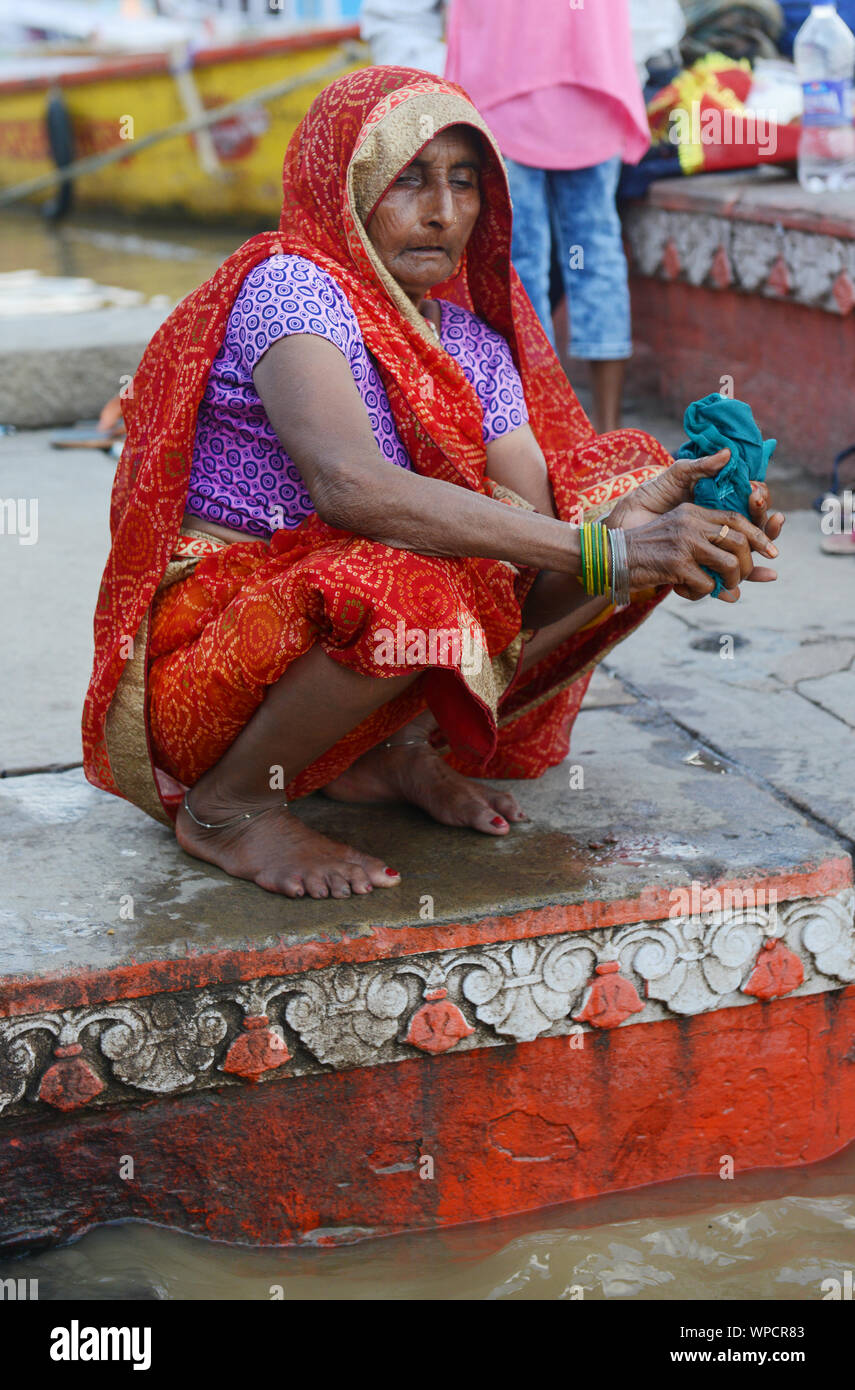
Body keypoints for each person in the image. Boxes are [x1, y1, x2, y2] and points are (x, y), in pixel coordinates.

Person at [82, 66, 783, 901]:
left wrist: (666, 518)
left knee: (613, 495)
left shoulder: (470, 346)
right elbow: (350, 487)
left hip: (338, 628)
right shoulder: (293, 286)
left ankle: (386, 754)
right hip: (214, 656)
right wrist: (609, 546)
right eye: (407, 177)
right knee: (422, 581)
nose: (442, 210)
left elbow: (547, 554)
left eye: (462, 182)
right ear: (339, 185)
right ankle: (228, 809)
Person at [444, 0, 650, 434]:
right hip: (595, 80)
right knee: (595, 251)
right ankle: (609, 431)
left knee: (521, 264)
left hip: (505, 84)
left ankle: (543, 430)